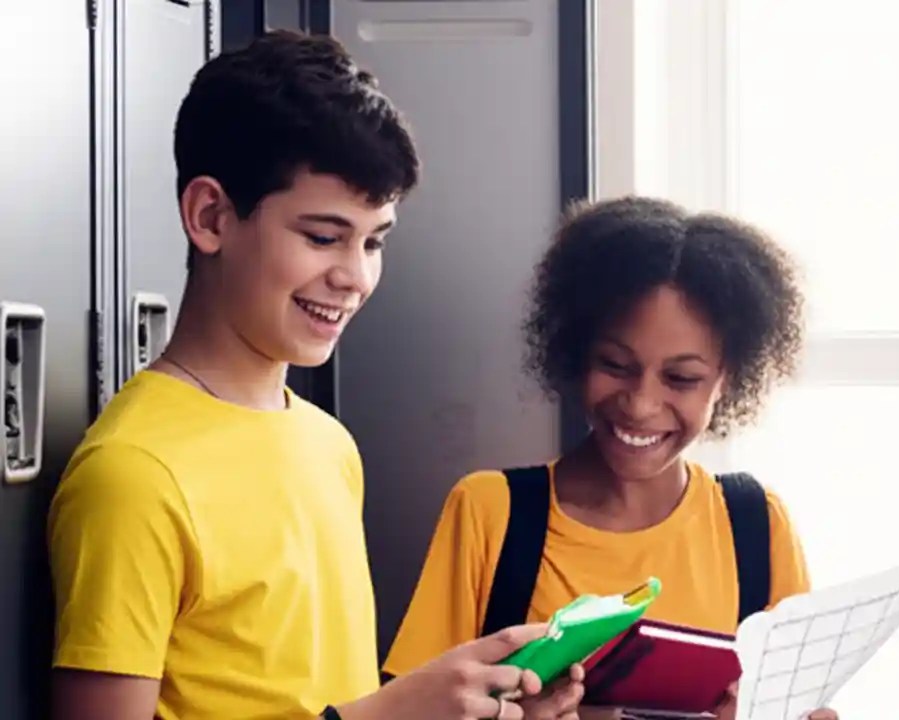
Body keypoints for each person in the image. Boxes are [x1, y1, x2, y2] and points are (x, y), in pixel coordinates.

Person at [47, 30, 561, 720]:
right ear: (210, 216)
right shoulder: (133, 475)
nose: (354, 277)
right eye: (323, 237)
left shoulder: (328, 445)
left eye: (374, 241)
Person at [382, 197, 837, 719]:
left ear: (726, 380)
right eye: (616, 365)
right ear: (577, 353)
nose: (641, 404)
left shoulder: (756, 524)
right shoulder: (492, 512)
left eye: (681, 378)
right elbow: (411, 709)